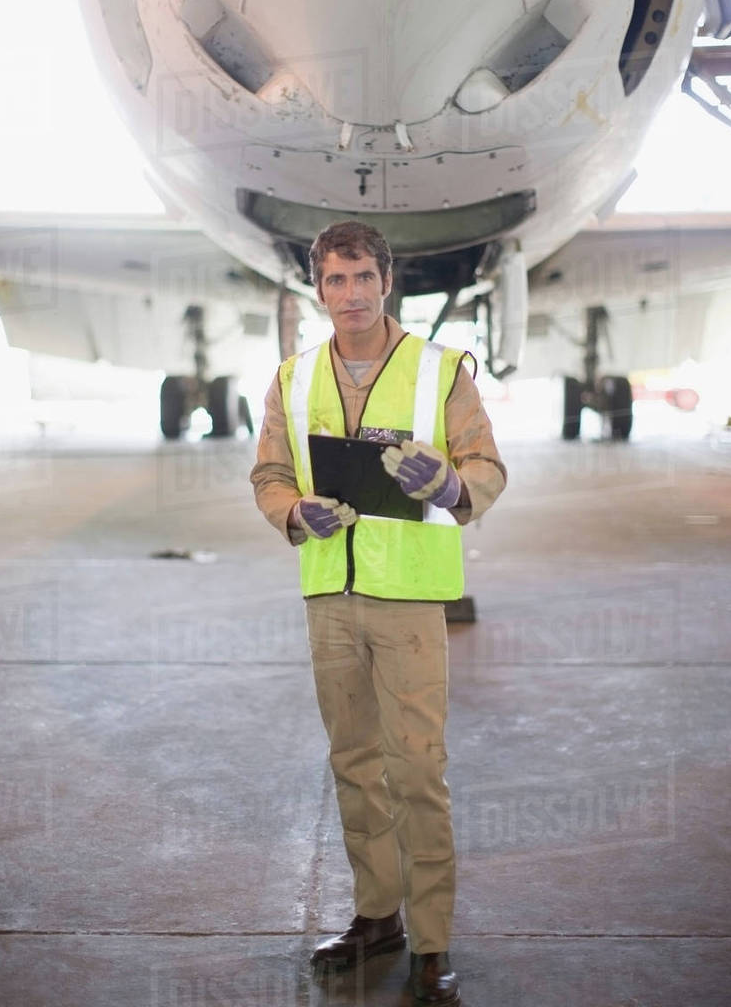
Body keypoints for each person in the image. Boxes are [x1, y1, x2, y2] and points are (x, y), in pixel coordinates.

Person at [250, 220, 506, 1005]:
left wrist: (449, 486)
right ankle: (376, 915)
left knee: (417, 770)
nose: (351, 294)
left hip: (408, 602)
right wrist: (295, 514)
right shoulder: (292, 378)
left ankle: (432, 944)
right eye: (335, 280)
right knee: (353, 764)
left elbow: (486, 468)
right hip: (331, 597)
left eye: (363, 278)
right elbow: (268, 472)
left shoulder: (440, 372)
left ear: (386, 280)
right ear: (318, 288)